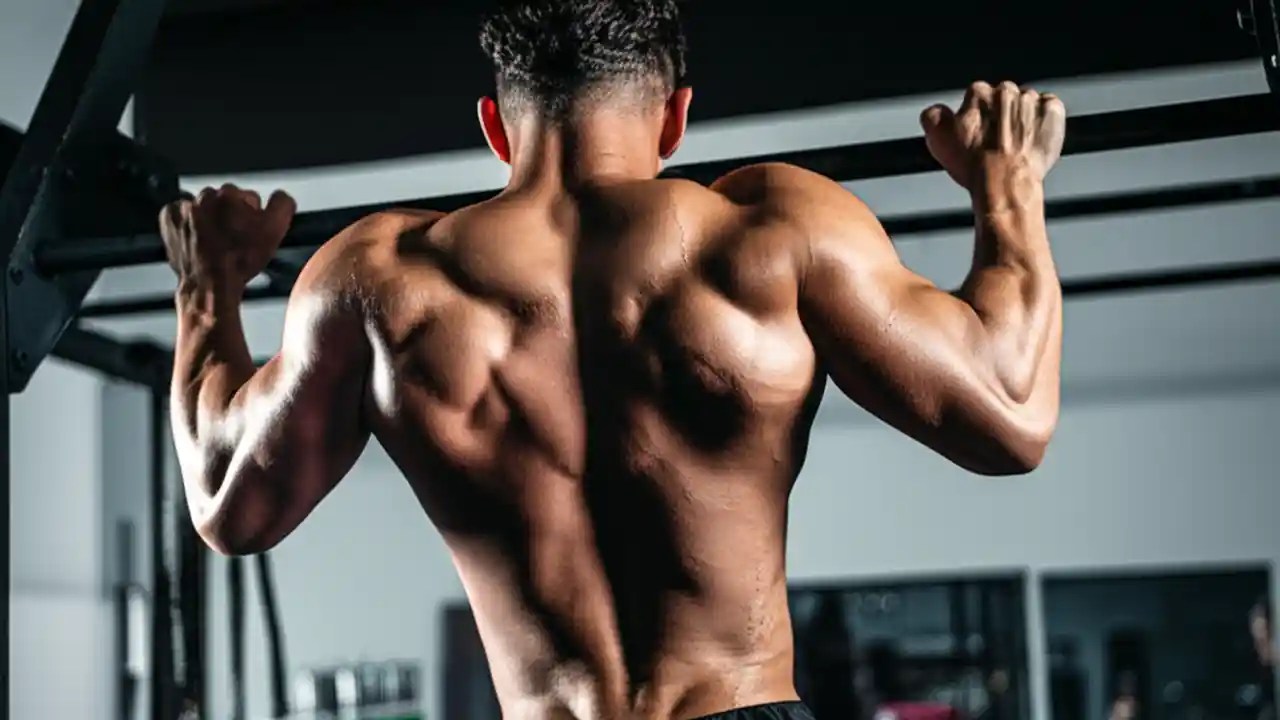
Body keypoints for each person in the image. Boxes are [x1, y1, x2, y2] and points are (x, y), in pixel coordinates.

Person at [157, 1, 1064, 718]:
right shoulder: (771, 233)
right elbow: (1010, 414)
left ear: (495, 129)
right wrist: (1008, 188)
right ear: (676, 119)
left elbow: (230, 503)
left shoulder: (375, 281)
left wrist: (208, 288)